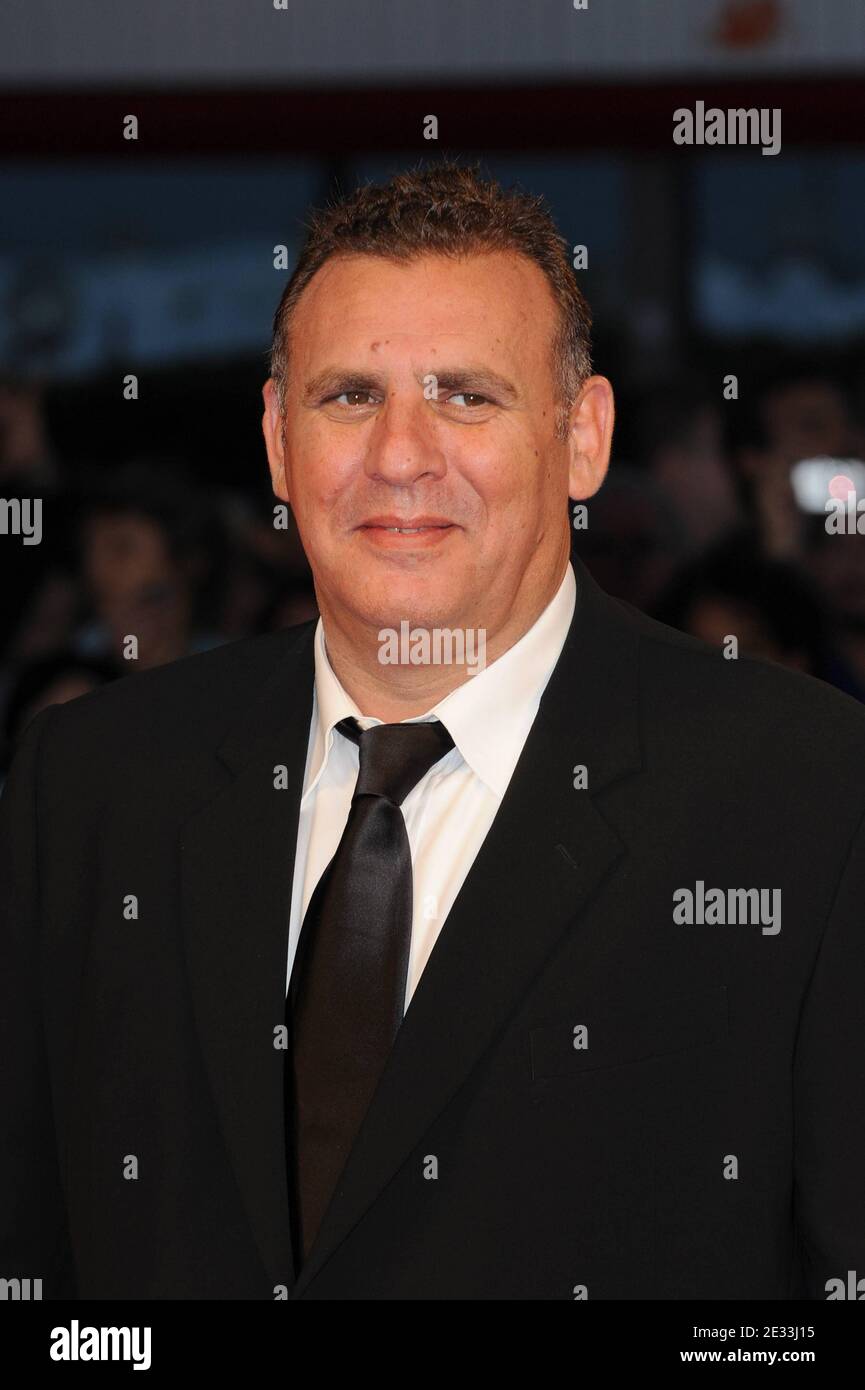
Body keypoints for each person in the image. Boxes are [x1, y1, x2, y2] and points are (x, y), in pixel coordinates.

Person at [1, 161, 864, 1301]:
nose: (401, 456)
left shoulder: (804, 794)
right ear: (275, 439)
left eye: (467, 395)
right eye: (349, 396)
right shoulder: (93, 784)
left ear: (583, 436)